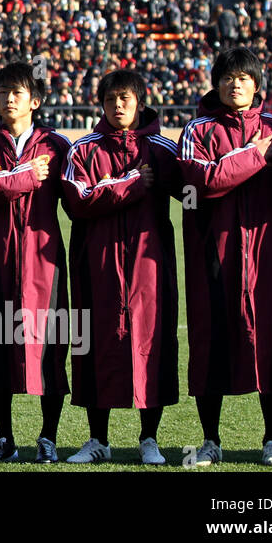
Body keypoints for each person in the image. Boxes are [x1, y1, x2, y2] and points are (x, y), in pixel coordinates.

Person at [60, 69, 181, 465]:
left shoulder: (162, 150)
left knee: (153, 343)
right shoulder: (83, 150)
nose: (117, 106)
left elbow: (196, 189)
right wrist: (128, 184)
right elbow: (76, 202)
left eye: (125, 99)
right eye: (111, 99)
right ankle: (98, 439)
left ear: (140, 103)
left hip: (149, 266)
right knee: (96, 344)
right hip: (96, 266)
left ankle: (149, 439)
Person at [178, 46, 272, 466]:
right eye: (228, 76)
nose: (236, 83)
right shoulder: (197, 130)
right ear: (216, 83)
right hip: (215, 250)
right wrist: (256, 155)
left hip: (268, 250)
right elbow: (205, 181)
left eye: (244, 77)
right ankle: (210, 440)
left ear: (257, 84)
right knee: (211, 339)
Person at [0, 61, 72, 463]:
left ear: (35, 102)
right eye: (3, 91)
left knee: (50, 345)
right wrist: (21, 176)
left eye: (17, 92)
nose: (8, 98)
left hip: (44, 262)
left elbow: (76, 200)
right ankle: (4, 439)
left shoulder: (57, 146)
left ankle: (48, 438)